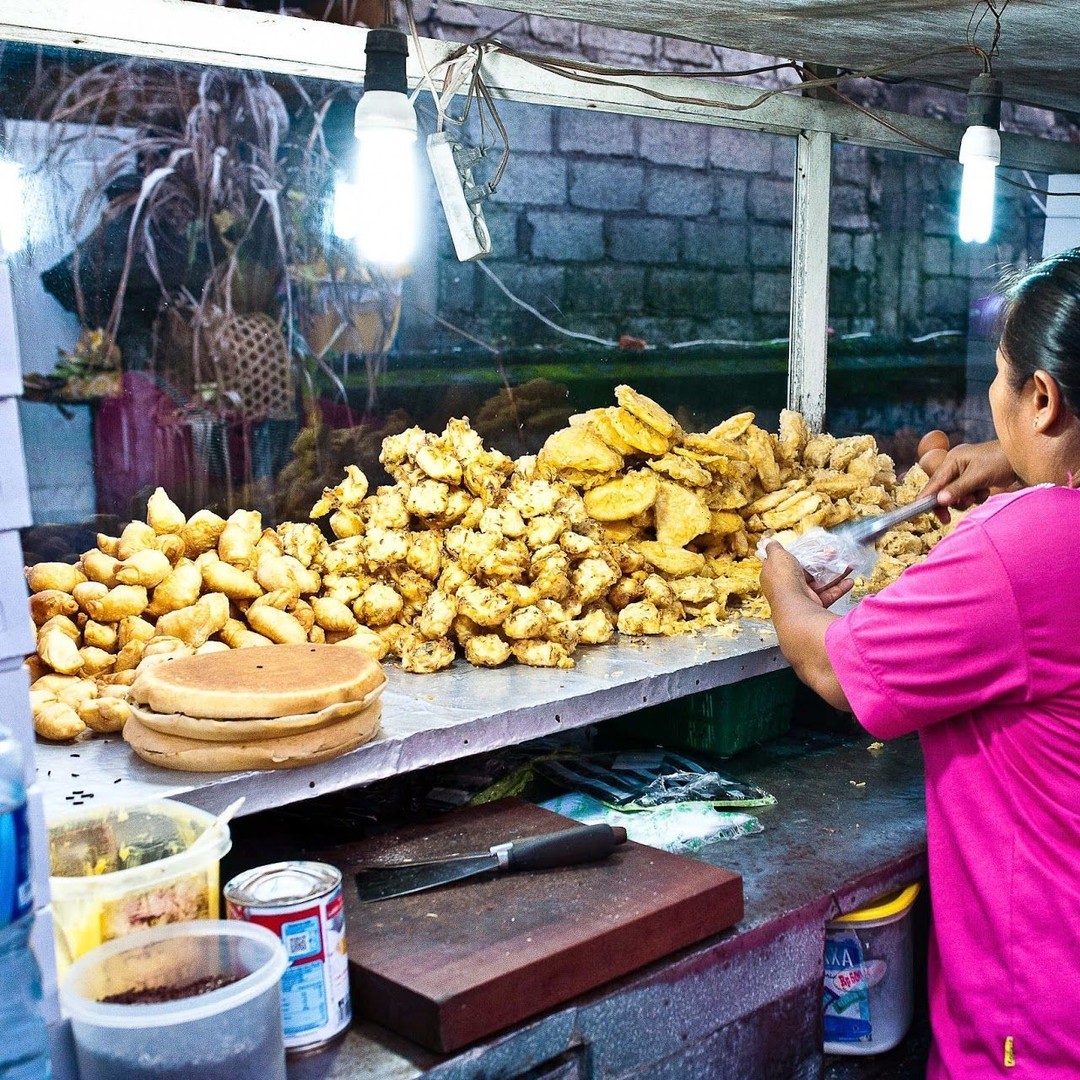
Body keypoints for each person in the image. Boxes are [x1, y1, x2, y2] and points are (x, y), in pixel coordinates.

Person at [759, 247, 1080, 1079]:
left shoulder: (1025, 548)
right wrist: (1018, 458)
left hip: (1036, 1023)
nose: (992, 403)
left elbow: (832, 669)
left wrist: (780, 569)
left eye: (1001, 383)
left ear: (1042, 398)